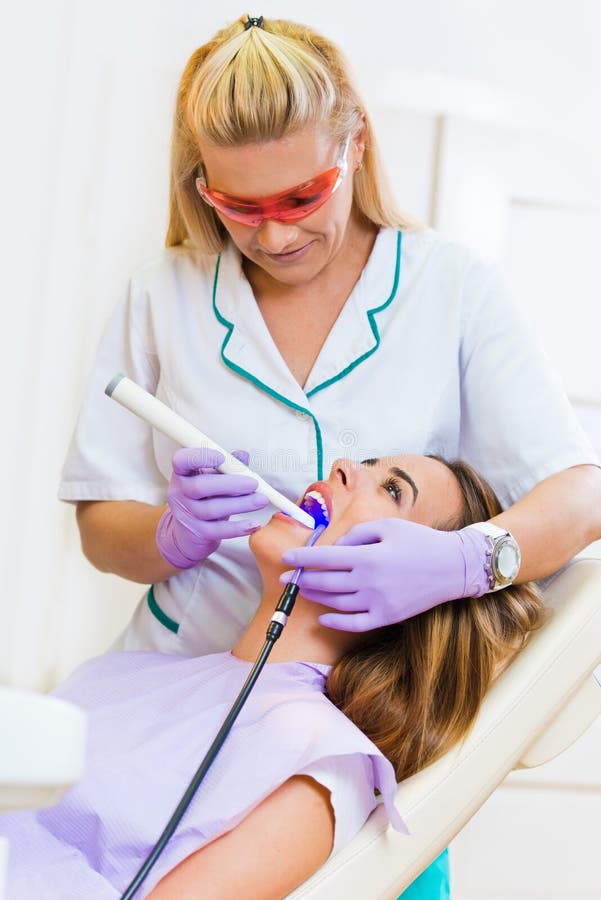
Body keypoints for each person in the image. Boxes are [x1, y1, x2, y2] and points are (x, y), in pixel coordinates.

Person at [58, 13, 601, 897]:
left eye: (301, 197)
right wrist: (168, 533)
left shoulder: (449, 288)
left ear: (355, 147)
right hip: (178, 705)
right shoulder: (163, 295)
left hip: (339, 726)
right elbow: (99, 526)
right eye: (239, 206)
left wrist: (466, 559)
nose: (273, 236)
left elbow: (581, 494)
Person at [3, 455, 542, 899]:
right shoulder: (140, 670)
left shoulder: (323, 764)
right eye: (369, 463)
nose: (343, 465)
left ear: (415, 592)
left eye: (393, 490)